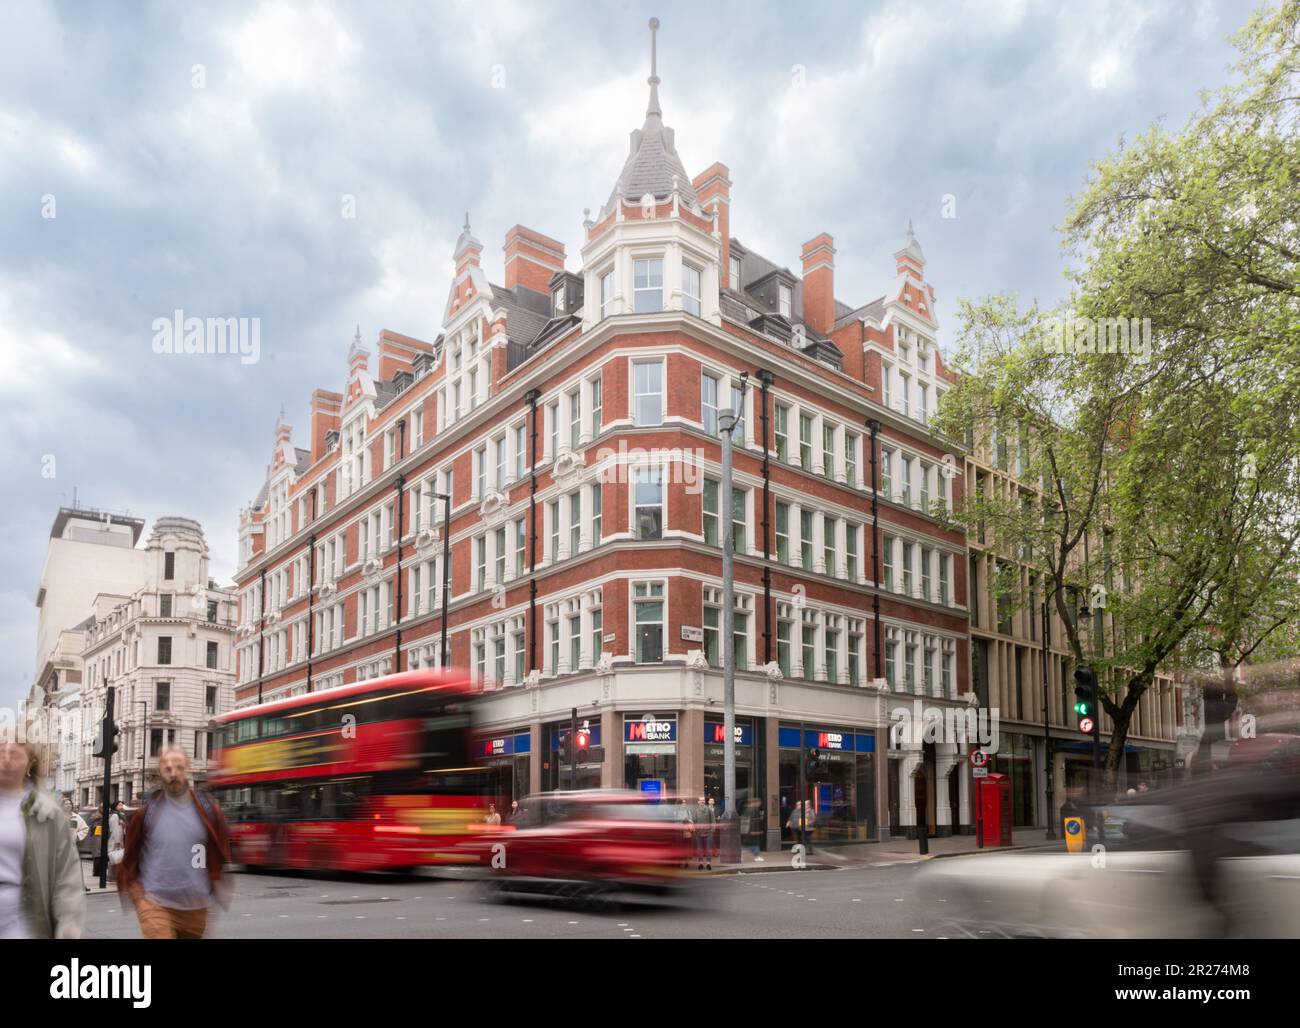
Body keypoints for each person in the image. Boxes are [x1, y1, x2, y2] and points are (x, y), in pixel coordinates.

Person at [116, 747, 231, 939]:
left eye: (178, 767)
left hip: (196, 905)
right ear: (160, 772)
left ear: (188, 769)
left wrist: (218, 880)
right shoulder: (146, 814)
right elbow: (131, 854)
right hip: (154, 902)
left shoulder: (209, 811)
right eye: (167, 768)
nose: (173, 773)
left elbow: (220, 849)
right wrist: (136, 891)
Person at [0, 742, 84, 938]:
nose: (5, 759)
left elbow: (66, 874)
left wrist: (69, 923)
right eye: (0, 752)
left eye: (14, 754)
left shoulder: (46, 813)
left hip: (20, 921)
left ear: (30, 763)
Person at [107, 801, 127, 881]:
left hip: (120, 839)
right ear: (115, 806)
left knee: (118, 858)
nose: (121, 806)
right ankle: (111, 876)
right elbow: (114, 828)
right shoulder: (115, 815)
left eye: (122, 805)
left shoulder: (121, 815)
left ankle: (116, 876)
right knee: (113, 858)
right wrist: (117, 841)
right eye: (119, 805)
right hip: (115, 840)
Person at [694, 796, 714, 870]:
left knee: (708, 849)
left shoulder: (709, 810)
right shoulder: (696, 811)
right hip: (699, 833)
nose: (702, 801)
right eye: (701, 800)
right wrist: (695, 830)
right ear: (698, 802)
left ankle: (708, 863)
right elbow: (694, 821)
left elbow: (713, 820)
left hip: (708, 833)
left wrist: (712, 830)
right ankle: (701, 863)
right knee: (700, 849)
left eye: (703, 800)